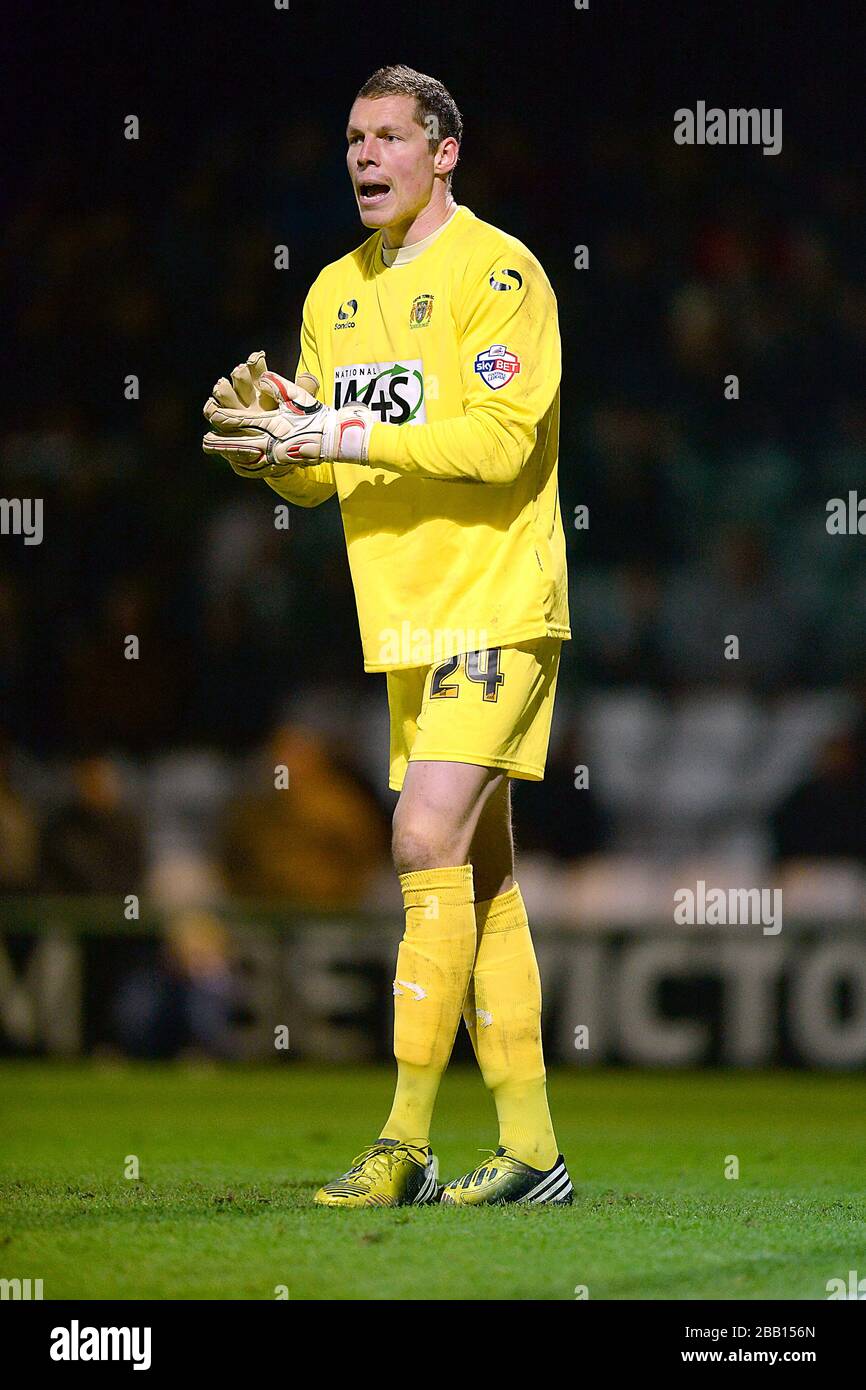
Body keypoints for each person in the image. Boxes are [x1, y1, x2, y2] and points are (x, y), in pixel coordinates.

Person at [202, 66, 572, 1207]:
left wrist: (340, 429)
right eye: (352, 140)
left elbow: (500, 443)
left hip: (497, 605)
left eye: (388, 140)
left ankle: (403, 1142)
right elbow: (323, 473)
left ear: (442, 151)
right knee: (481, 872)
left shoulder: (500, 272)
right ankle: (531, 1153)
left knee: (419, 839)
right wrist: (275, 448)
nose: (363, 159)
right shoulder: (330, 293)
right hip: (404, 624)